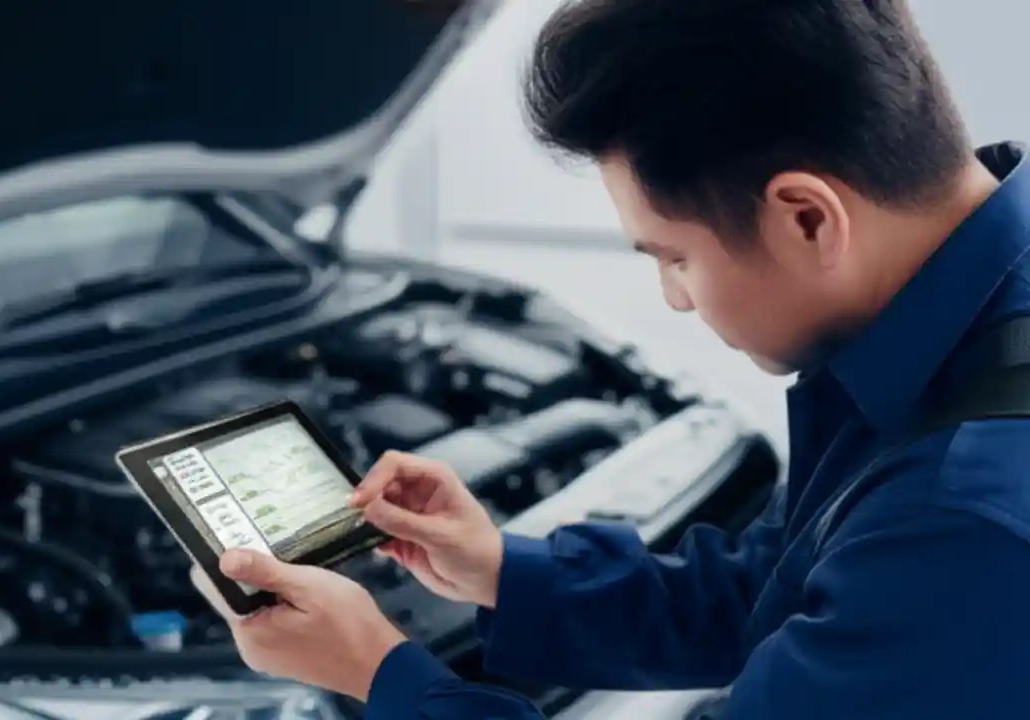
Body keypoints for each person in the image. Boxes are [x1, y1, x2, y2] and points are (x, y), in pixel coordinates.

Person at [192, 0, 1030, 717]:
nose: (674, 297)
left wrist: (377, 673)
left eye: (673, 258)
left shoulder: (966, 524)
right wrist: (501, 572)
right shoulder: (948, 327)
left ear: (808, 219)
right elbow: (787, 586)